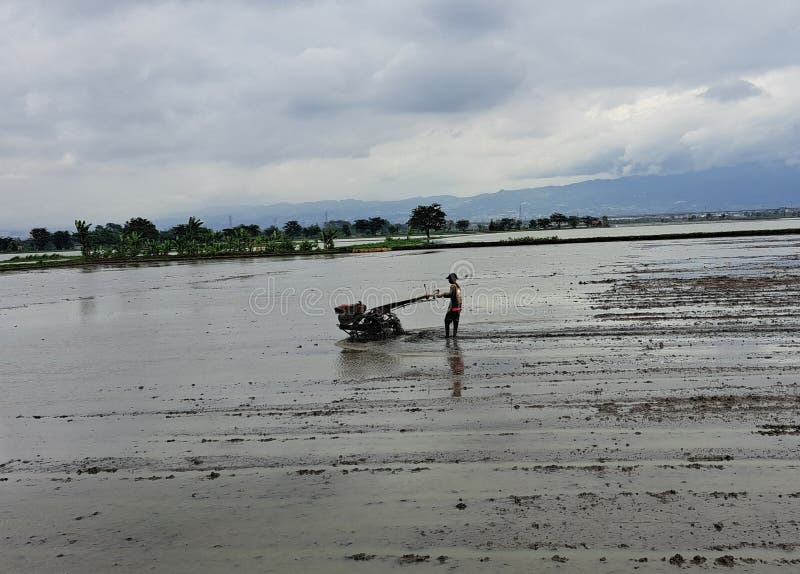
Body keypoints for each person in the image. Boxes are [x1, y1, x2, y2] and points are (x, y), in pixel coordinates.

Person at [437, 272, 462, 338]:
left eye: (449, 279)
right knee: (455, 323)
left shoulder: (453, 286)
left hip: (453, 308)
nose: (448, 280)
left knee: (446, 321)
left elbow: (450, 295)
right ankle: (454, 336)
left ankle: (447, 336)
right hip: (458, 308)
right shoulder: (458, 287)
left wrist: (442, 294)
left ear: (452, 279)